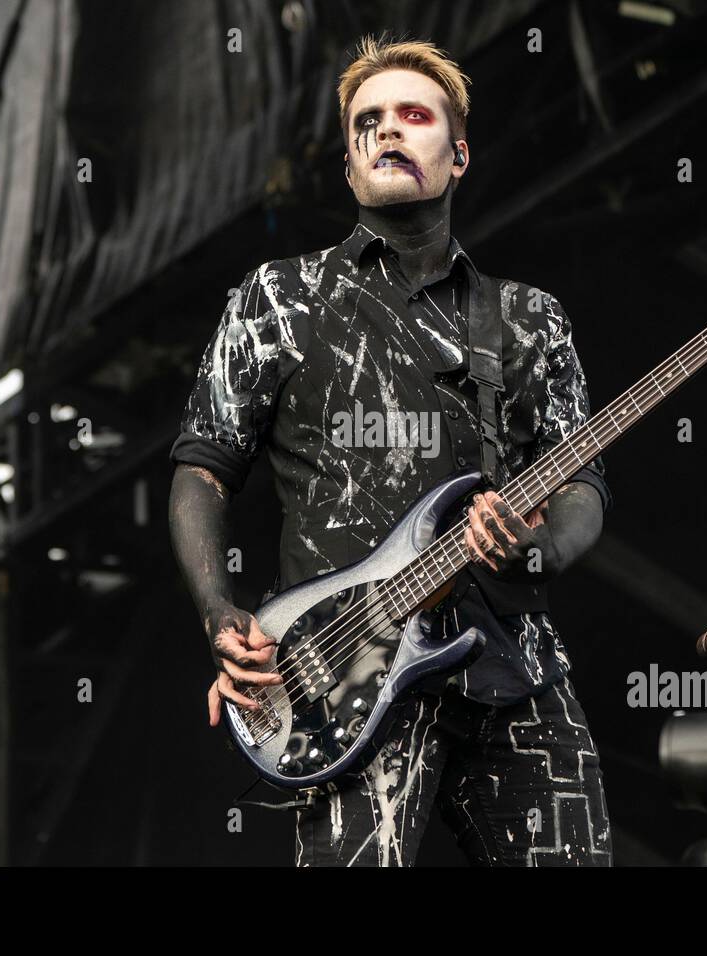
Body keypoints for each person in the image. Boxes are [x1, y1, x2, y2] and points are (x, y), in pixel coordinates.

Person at [170, 36, 612, 866]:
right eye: (368, 122)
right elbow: (203, 468)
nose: (389, 132)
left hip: (513, 659)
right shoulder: (281, 298)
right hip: (340, 673)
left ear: (459, 155)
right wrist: (218, 611)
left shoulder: (528, 319)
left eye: (415, 116)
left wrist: (539, 545)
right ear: (349, 166)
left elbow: (581, 478)